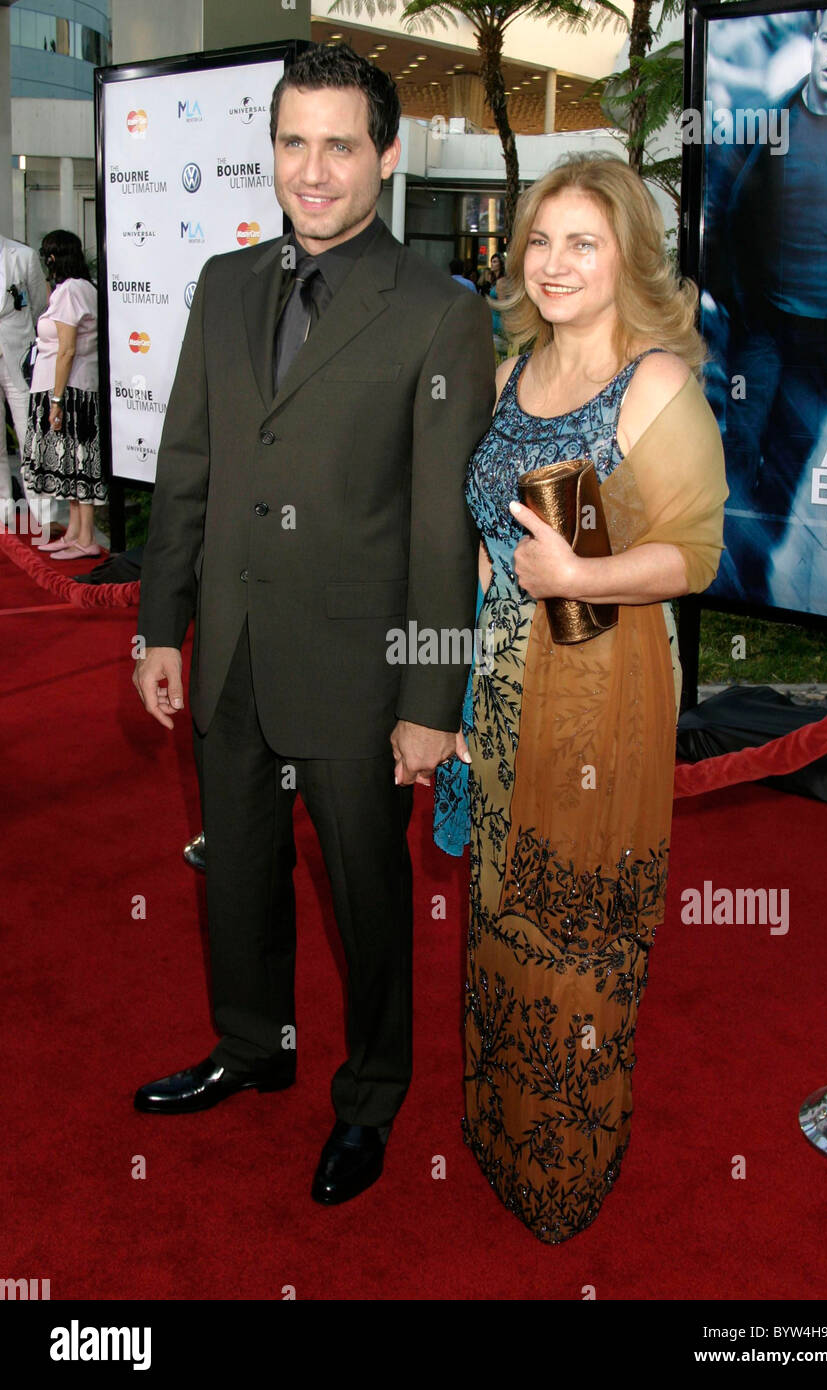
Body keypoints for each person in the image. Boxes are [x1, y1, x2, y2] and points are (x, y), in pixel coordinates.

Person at [131, 42, 496, 1207]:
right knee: (236, 872)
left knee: (365, 897)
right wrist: (156, 625)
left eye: (341, 144)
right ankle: (254, 1047)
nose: (315, 169)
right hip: (231, 646)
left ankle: (373, 1093)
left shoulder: (441, 315)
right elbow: (188, 464)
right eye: (295, 142)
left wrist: (429, 704)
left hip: (362, 668)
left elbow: (446, 534)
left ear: (386, 157)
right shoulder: (224, 287)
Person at [433, 152, 727, 1243]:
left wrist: (582, 576)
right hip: (505, 687)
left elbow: (694, 554)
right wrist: (465, 689)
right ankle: (501, 1125)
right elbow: (482, 535)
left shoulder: (654, 384)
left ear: (629, 259)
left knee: (579, 928)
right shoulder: (516, 366)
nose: (555, 265)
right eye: (541, 242)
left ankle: (565, 1161)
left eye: (583, 243)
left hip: (601, 693)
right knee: (504, 913)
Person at [723, 6, 827, 599]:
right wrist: (735, 301)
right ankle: (738, 565)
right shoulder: (774, 122)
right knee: (739, 447)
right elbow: (728, 207)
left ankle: (756, 560)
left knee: (789, 459)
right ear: (813, 43)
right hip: (762, 324)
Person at [21, 230, 104, 558]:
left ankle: (86, 538)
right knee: (69, 465)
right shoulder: (68, 290)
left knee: (79, 463)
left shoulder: (72, 290)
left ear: (55, 257)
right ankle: (75, 532)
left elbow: (68, 349)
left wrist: (56, 400)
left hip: (71, 393)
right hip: (63, 390)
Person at [0, 233, 47, 524]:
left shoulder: (23, 256)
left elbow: (40, 306)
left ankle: (43, 512)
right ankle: (3, 505)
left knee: (30, 435)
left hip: (18, 355)